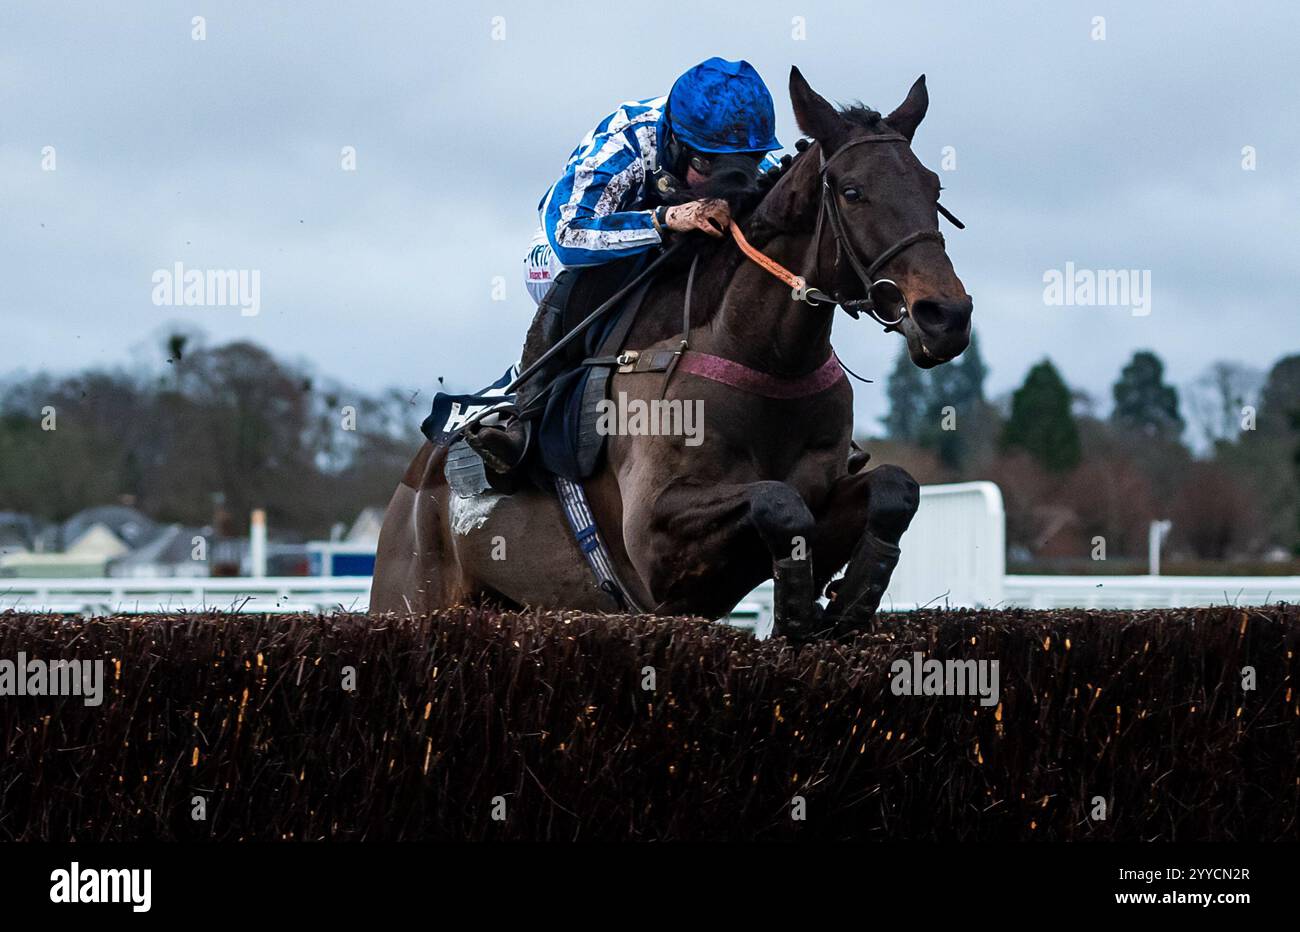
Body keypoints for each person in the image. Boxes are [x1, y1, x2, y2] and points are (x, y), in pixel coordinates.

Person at [466, 57, 782, 478]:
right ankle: (523, 412)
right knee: (602, 268)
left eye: (744, 163)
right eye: (708, 166)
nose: (722, 181)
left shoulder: (736, 151)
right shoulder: (628, 140)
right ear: (675, 141)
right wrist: (664, 220)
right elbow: (568, 233)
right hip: (569, 248)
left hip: (660, 243)